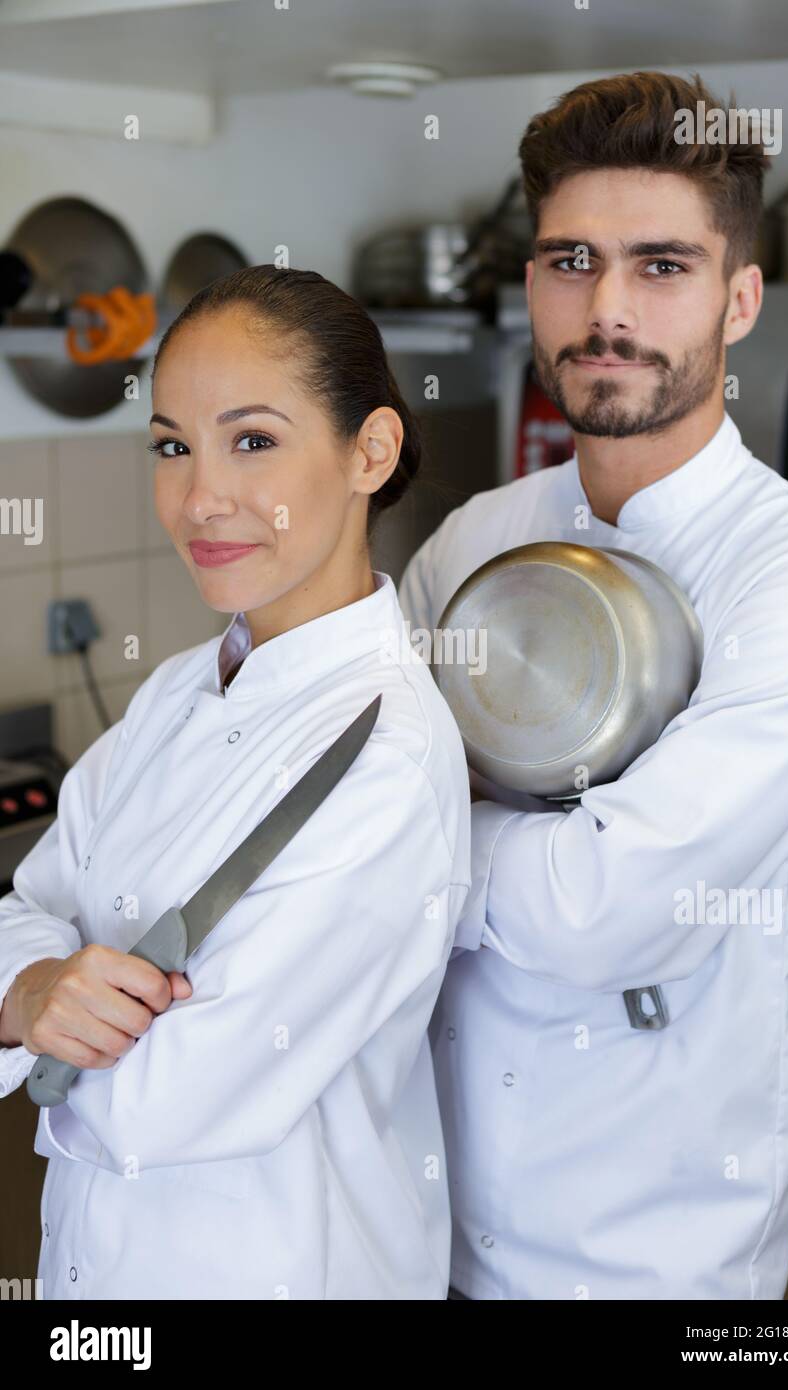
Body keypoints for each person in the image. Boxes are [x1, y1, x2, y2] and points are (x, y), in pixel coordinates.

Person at [399, 71, 788, 1300]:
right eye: (569, 260)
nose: (605, 308)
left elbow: (602, 911)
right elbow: (354, 780)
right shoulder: (474, 535)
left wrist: (428, 835)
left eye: (660, 265)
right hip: (418, 1207)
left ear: (739, 296)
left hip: (645, 1252)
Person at [0, 265, 471, 1300]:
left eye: (251, 440)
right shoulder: (176, 690)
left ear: (371, 450)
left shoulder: (384, 759)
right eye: (172, 444)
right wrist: (36, 987)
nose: (199, 497)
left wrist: (41, 1021)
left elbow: (167, 1099)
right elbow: (24, 909)